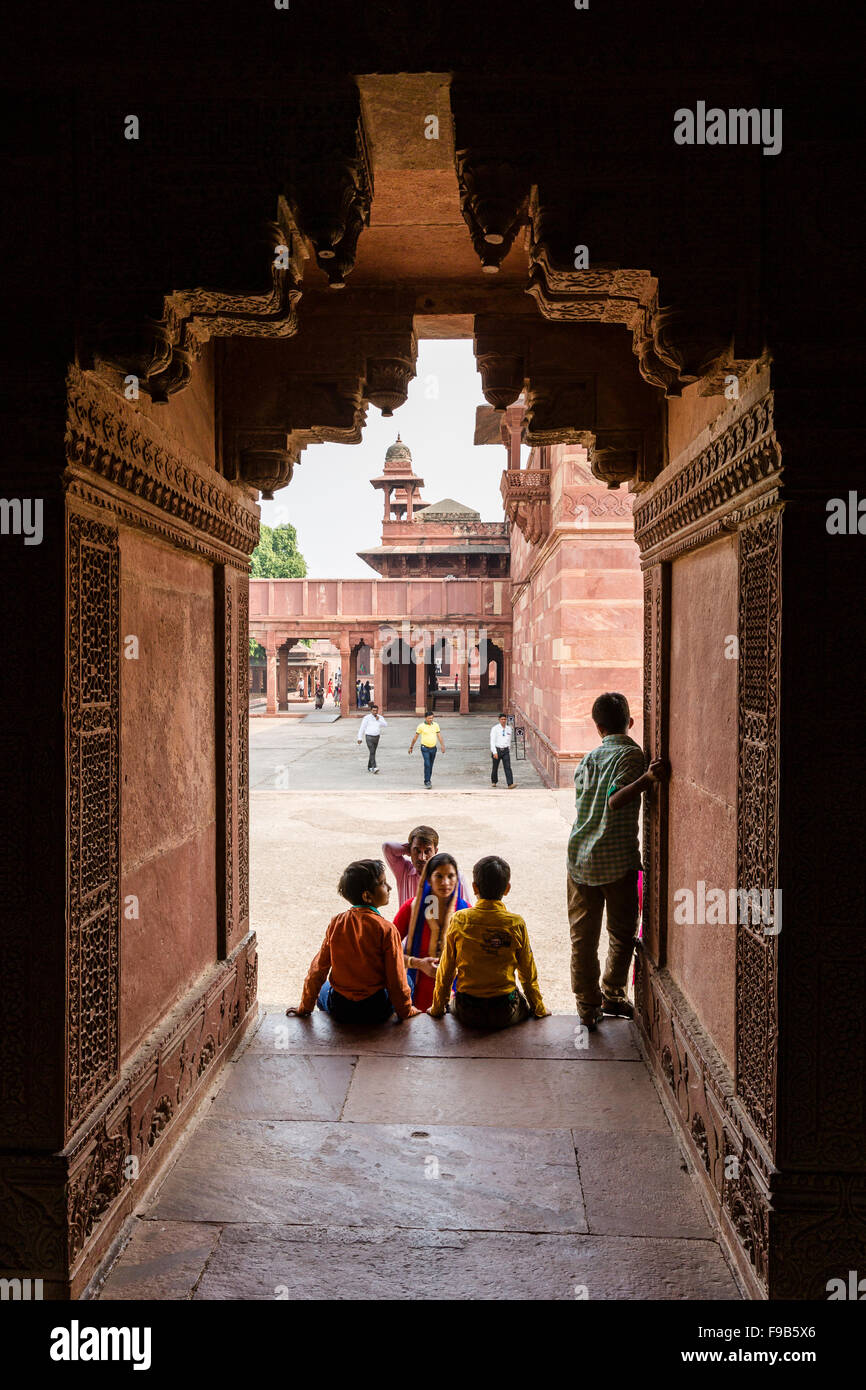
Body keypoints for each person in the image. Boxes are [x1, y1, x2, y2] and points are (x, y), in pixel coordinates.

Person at [566, 691, 670, 1031]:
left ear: (598, 728)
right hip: (616, 863)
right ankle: (611, 991)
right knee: (622, 932)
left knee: (584, 938)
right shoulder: (631, 755)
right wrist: (649, 780)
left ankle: (589, 1006)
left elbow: (585, 803)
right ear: (630, 722)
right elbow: (614, 801)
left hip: (580, 859)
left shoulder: (588, 759)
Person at [287, 859, 421, 1025]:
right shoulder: (387, 929)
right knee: (407, 980)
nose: (389, 887)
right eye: (383, 883)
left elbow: (318, 969)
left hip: (340, 1009)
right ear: (367, 896)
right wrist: (406, 1010)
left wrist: (305, 1007)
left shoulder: (336, 923)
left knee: (324, 988)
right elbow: (397, 979)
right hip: (377, 1009)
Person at [429, 854, 549, 1029]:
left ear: (474, 887)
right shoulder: (515, 923)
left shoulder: (459, 920)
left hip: (467, 1010)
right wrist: (539, 1008)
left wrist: (437, 1008)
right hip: (505, 1011)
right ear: (507, 888)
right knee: (523, 1002)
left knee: (454, 1002)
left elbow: (446, 969)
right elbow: (527, 973)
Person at [392, 852, 470, 1011]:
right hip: (415, 998)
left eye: (451, 876)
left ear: (457, 879)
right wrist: (418, 963)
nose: (446, 882)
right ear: (428, 879)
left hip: (455, 999)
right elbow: (386, 950)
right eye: (439, 876)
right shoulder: (411, 908)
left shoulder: (466, 912)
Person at [382, 824, 439, 906]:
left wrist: (414, 849)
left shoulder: (442, 878)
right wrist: (407, 849)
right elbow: (387, 847)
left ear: (435, 851)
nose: (422, 858)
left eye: (427, 851)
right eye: (417, 850)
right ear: (409, 849)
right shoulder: (404, 871)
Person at [408, 711, 445, 788]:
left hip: (433, 748)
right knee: (427, 764)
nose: (431, 719)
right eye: (429, 718)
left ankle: (428, 779)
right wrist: (411, 746)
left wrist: (442, 746)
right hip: (425, 748)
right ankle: (427, 781)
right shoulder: (421, 726)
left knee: (430, 765)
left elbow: (439, 736)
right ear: (425, 718)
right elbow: (415, 737)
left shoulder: (436, 725)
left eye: (432, 718)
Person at [357, 703, 387, 772]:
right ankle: (374, 767)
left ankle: (369, 767)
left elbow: (385, 725)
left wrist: (379, 719)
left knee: (372, 752)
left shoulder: (380, 717)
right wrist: (359, 738)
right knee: (372, 751)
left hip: (377, 737)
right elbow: (362, 727)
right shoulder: (367, 718)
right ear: (371, 711)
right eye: (373, 710)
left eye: (376, 710)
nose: (375, 712)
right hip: (369, 737)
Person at [490, 712, 515, 788]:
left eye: (504, 719)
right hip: (497, 749)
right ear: (499, 720)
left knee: (507, 767)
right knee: (495, 767)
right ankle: (494, 781)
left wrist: (508, 748)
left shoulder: (509, 729)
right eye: (502, 719)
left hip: (505, 750)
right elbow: (492, 741)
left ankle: (510, 783)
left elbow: (509, 739)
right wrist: (494, 752)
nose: (503, 721)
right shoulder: (495, 729)